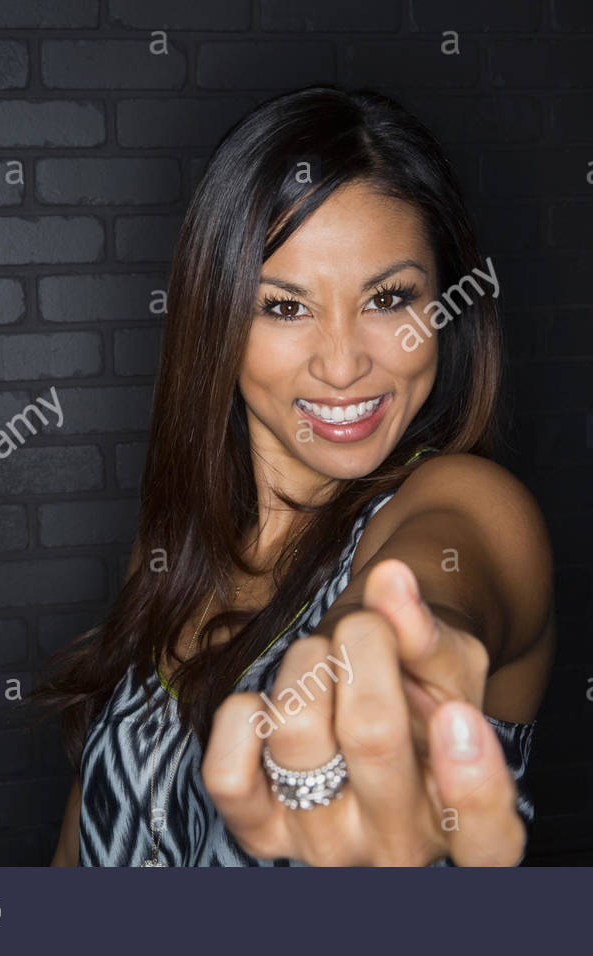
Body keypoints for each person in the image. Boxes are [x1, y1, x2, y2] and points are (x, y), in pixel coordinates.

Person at [29, 85, 556, 867]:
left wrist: (395, 686)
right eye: (284, 308)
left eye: (388, 298)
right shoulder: (173, 553)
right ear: (216, 321)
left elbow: (421, 601)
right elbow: (93, 818)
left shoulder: (471, 504)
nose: (342, 365)